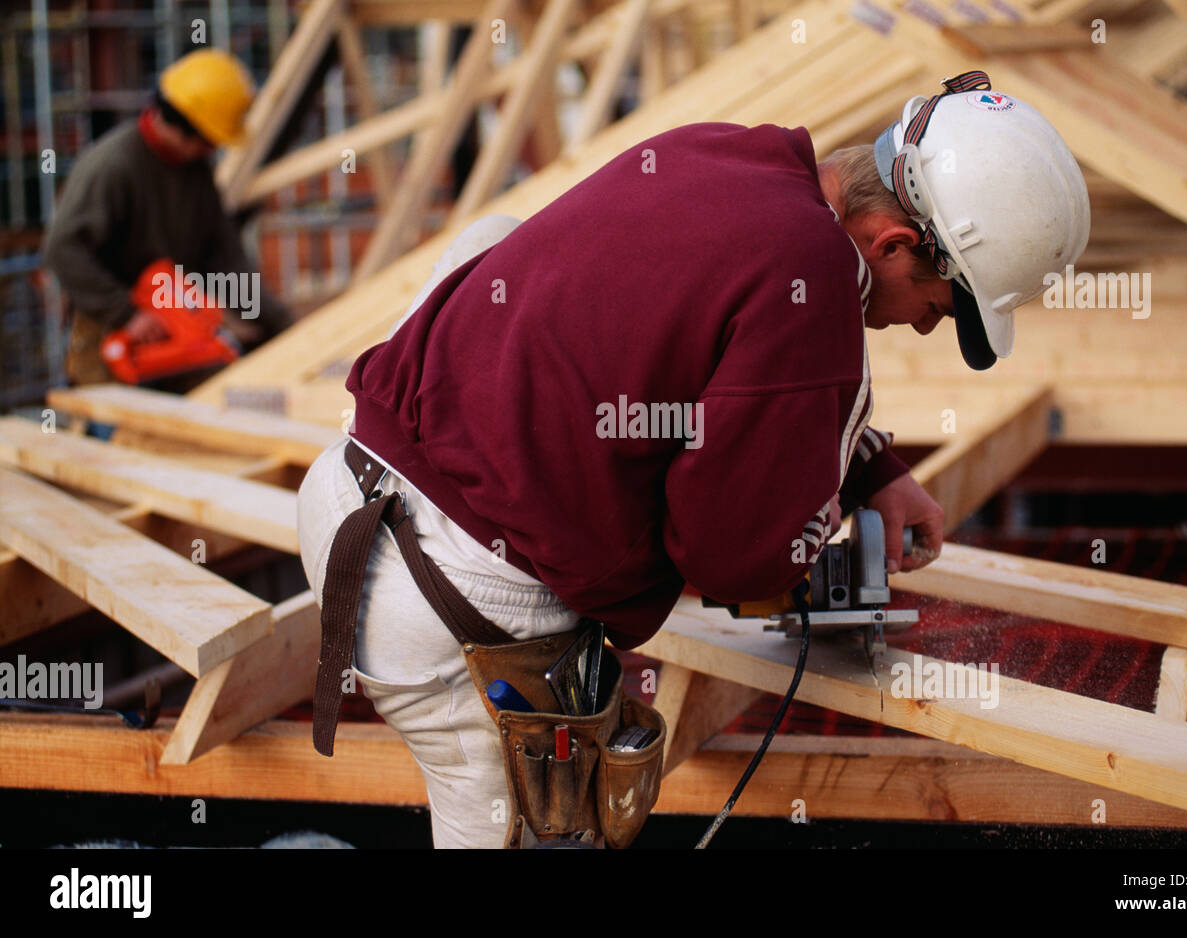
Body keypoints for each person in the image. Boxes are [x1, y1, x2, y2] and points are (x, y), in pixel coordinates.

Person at [297, 71, 1090, 848]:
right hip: (455, 605)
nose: (922, 329)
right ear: (894, 242)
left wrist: (866, 467)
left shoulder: (726, 155)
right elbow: (729, 557)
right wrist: (801, 535)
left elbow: (693, 349)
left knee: (497, 232)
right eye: (939, 307)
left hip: (356, 491)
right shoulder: (812, 283)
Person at [42, 48, 292, 389]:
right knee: (114, 429)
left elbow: (223, 256)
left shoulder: (195, 171)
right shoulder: (113, 167)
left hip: (176, 325)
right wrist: (126, 314)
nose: (213, 149)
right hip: (113, 333)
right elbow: (64, 249)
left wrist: (279, 324)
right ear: (184, 129)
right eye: (210, 141)